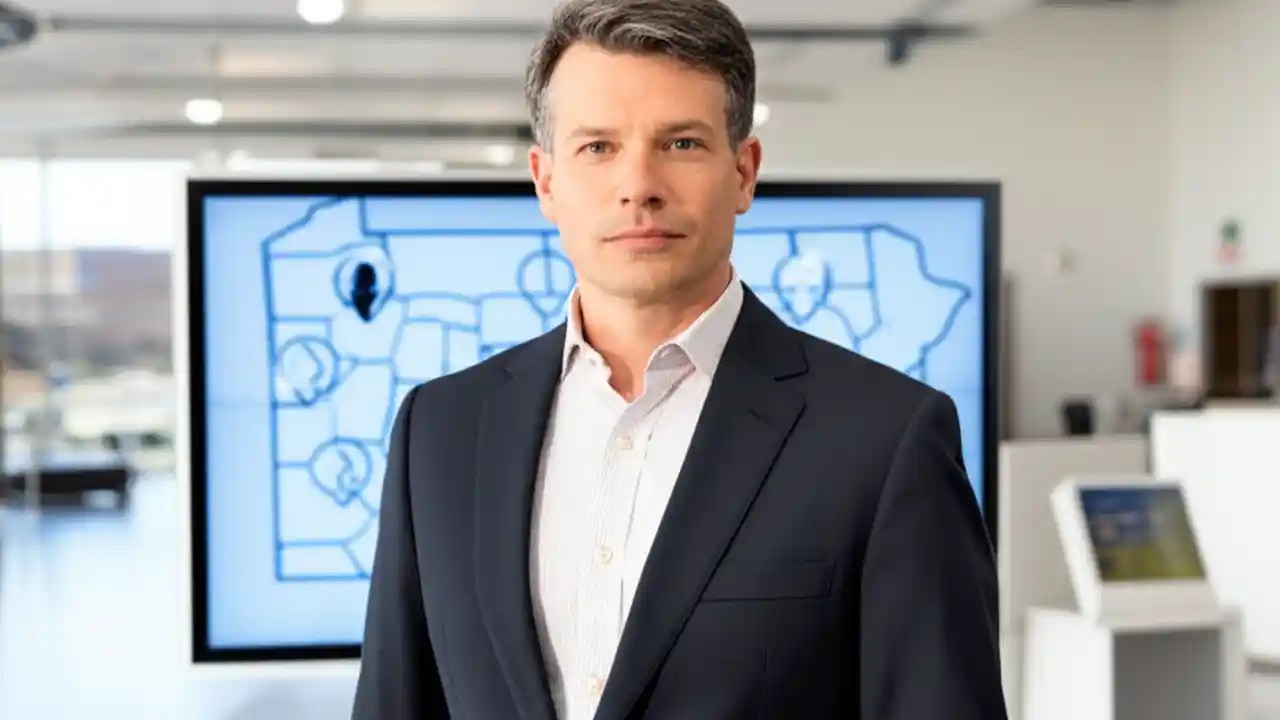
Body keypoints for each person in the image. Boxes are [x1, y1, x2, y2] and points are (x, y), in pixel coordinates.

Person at [352, 0, 1006, 718]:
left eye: (682, 144)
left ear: (744, 172)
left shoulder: (884, 440)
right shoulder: (441, 429)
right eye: (597, 147)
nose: (639, 186)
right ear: (545, 181)